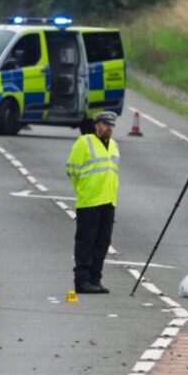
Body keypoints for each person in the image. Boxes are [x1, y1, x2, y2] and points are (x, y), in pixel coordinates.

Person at [67, 110, 121, 294]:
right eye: (105, 124)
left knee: (103, 242)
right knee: (86, 242)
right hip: (89, 200)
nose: (109, 128)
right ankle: (82, 280)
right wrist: (83, 188)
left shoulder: (113, 145)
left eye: (111, 125)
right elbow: (72, 169)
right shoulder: (84, 142)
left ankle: (95, 278)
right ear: (97, 125)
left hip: (108, 200)